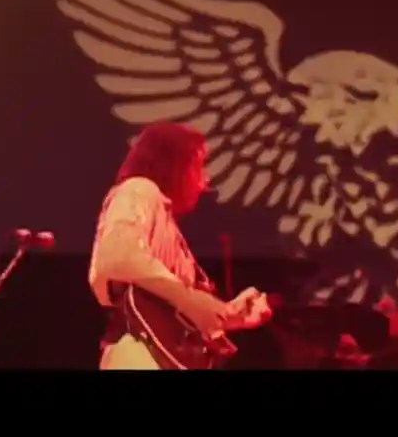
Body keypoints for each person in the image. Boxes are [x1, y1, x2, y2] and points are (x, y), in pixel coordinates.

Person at [88, 122, 272, 369]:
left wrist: (229, 314)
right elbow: (118, 256)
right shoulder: (139, 190)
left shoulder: (166, 224)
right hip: (138, 352)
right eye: (199, 165)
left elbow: (169, 308)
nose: (204, 181)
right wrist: (188, 299)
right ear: (174, 163)